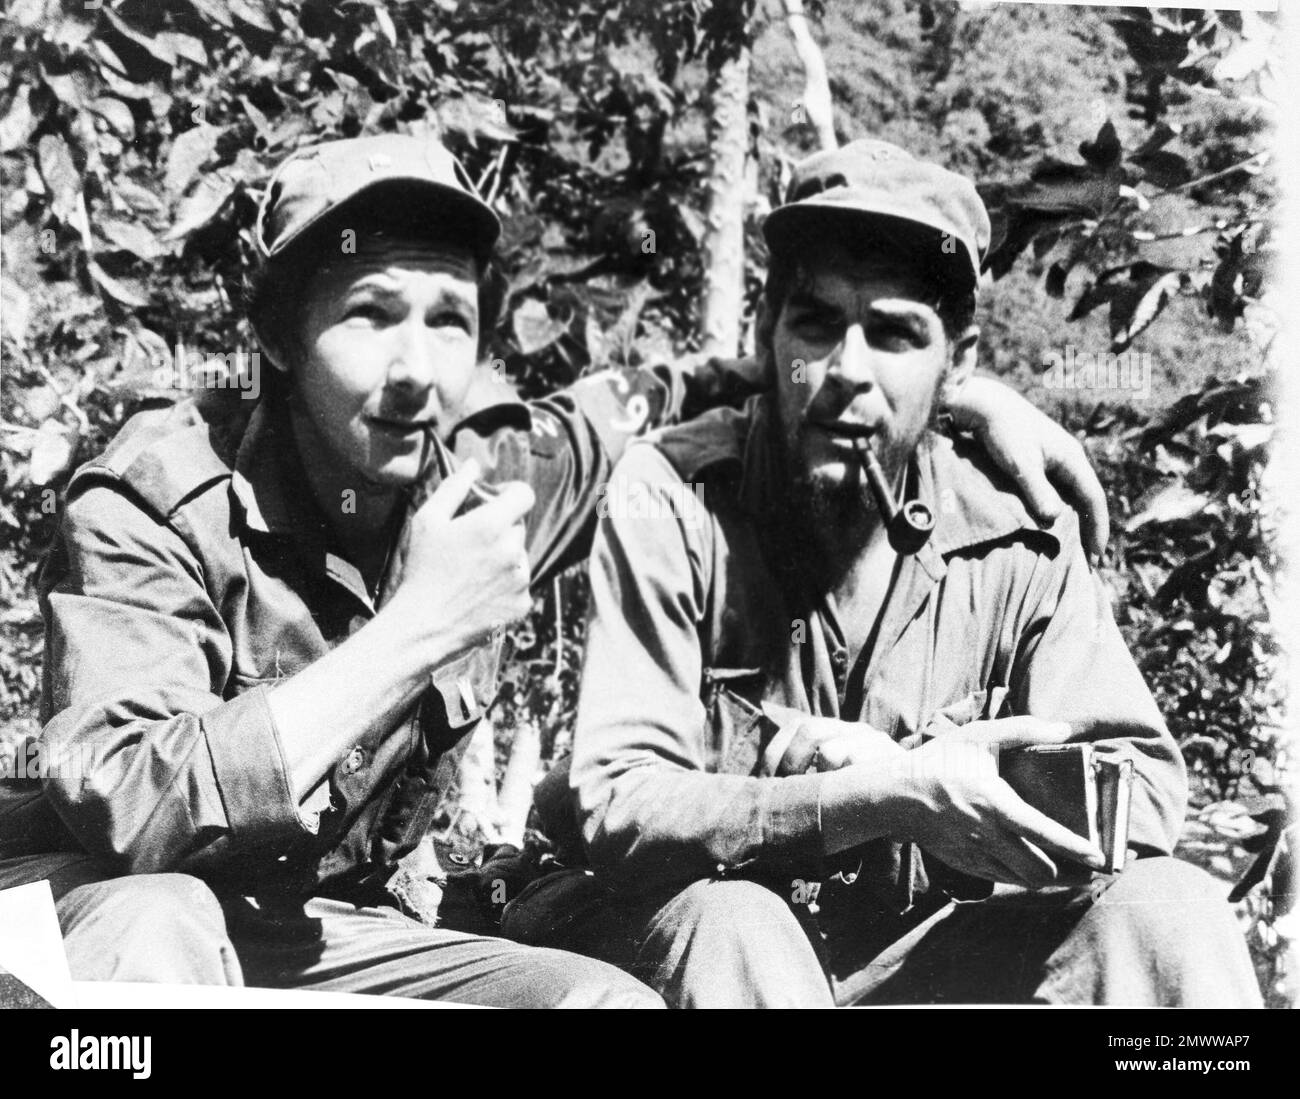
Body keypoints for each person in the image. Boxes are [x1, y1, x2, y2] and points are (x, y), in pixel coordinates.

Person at [1, 131, 1107, 1005]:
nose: (411, 373)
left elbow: (688, 385)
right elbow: (134, 813)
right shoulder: (155, 496)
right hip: (118, 910)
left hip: (339, 930)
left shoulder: (498, 481)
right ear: (280, 341)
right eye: (368, 317)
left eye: (448, 322)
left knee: (603, 1004)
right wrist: (417, 627)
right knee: (155, 938)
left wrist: (952, 395)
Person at [501, 139, 1264, 1008]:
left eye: (896, 334)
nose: (846, 372)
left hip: (920, 960)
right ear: (767, 334)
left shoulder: (1015, 534)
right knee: (738, 923)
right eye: (817, 324)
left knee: (1172, 910)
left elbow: (1147, 788)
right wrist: (865, 790)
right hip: (695, 946)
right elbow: (619, 804)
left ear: (960, 362)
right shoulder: (674, 497)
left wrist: (953, 792)